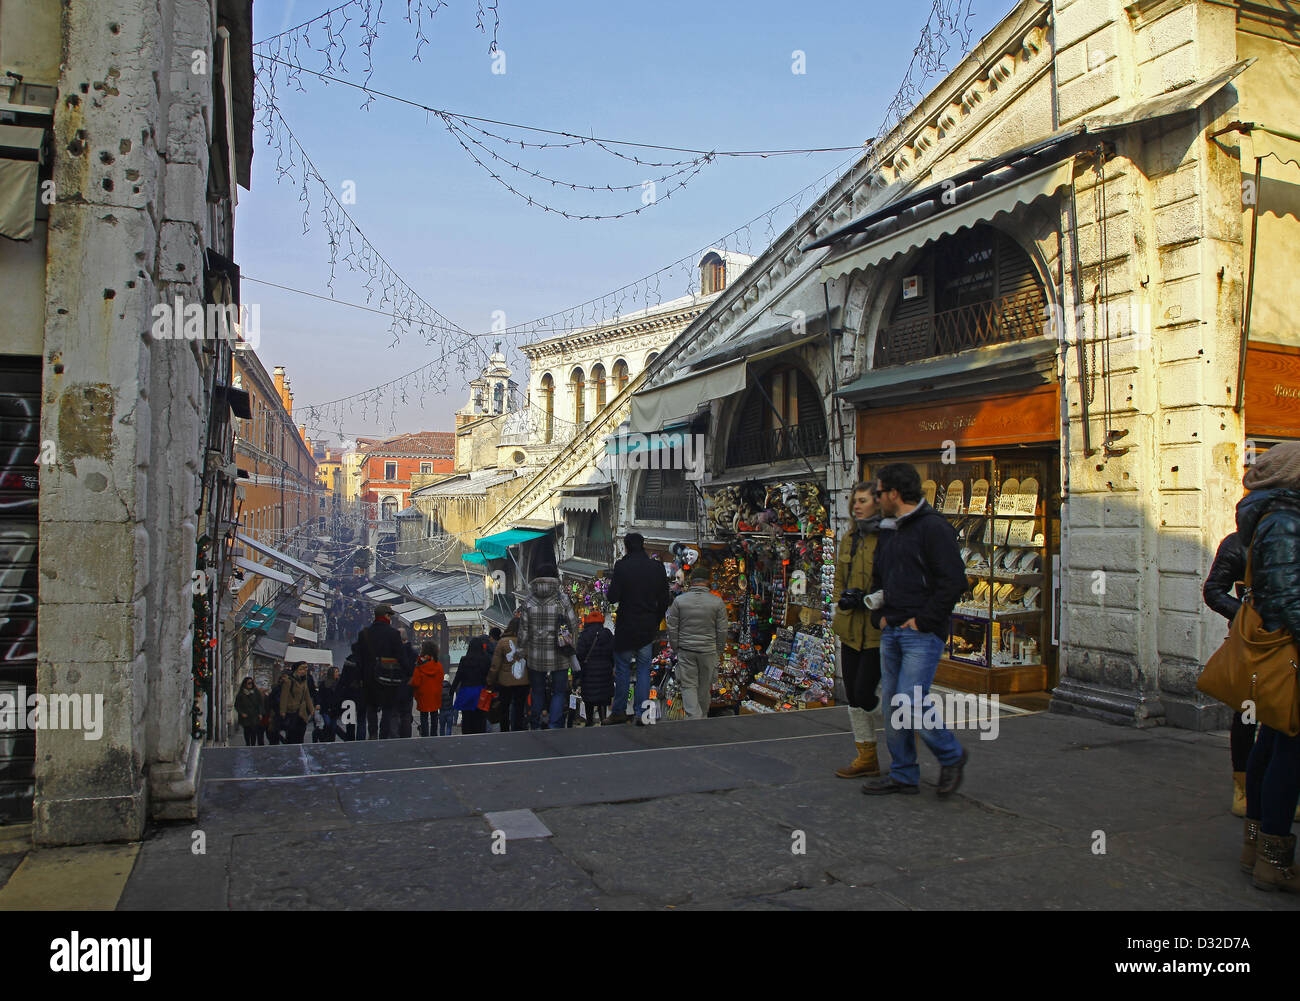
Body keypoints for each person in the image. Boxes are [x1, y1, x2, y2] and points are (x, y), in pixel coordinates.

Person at [862, 463, 968, 798]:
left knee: (910, 699)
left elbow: (954, 581)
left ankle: (951, 755)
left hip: (921, 632)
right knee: (893, 705)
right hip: (891, 627)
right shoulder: (890, 529)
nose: (876, 499)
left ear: (894, 493)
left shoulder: (934, 528)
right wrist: (877, 614)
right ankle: (904, 774)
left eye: (879, 493)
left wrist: (923, 620)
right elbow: (881, 576)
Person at [1235, 442, 1300, 892]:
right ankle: (1272, 861)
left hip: (1281, 650)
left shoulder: (1272, 516)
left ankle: (1257, 848)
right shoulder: (1284, 520)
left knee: (1275, 742)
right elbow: (1287, 596)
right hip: (1289, 651)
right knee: (1288, 750)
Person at [831, 481, 887, 778]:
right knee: (853, 695)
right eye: (854, 500)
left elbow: (896, 579)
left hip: (878, 630)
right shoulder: (849, 537)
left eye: (862, 500)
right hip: (850, 628)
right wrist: (843, 599)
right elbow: (839, 578)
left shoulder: (888, 538)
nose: (856, 505)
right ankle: (866, 756)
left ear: (877, 503)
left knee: (865, 693)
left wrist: (873, 599)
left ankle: (903, 722)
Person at [1204, 528, 1253, 817]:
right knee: (1249, 711)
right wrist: (1247, 615)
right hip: (1253, 641)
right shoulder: (1238, 542)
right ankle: (1243, 788)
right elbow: (1214, 590)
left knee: (1288, 716)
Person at [606, 534, 670, 724]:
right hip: (646, 628)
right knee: (643, 670)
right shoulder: (656, 567)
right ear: (643, 546)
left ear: (626, 547)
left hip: (626, 627)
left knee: (623, 670)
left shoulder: (622, 566)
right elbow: (664, 599)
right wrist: (655, 619)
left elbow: (612, 597)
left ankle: (618, 711)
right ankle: (642, 714)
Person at [517, 564, 580, 730]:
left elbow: (523, 631)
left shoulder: (528, 601)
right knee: (559, 691)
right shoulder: (562, 599)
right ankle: (554, 724)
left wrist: (520, 651)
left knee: (537, 691)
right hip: (559, 654)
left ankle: (536, 724)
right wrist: (573, 648)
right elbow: (573, 625)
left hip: (536, 656)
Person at [665, 566, 729, 720]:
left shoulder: (679, 601)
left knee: (689, 685)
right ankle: (702, 717)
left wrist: (676, 647)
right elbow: (722, 631)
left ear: (691, 581)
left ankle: (694, 717)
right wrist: (718, 651)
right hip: (708, 650)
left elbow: (672, 628)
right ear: (708, 581)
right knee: (704, 687)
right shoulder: (717, 602)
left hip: (686, 650)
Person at [355, 603, 414, 740]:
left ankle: (373, 732)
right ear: (386, 616)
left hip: (368, 677)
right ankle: (383, 733)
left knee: (371, 707)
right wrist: (409, 673)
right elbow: (401, 657)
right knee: (388, 707)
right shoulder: (393, 634)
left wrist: (359, 678)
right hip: (388, 677)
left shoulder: (364, 634)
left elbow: (359, 658)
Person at [486, 618, 531, 732]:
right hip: (522, 679)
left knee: (504, 706)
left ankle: (505, 729)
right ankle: (518, 727)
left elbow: (495, 666)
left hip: (505, 681)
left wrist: (490, 681)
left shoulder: (502, 642)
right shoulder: (526, 641)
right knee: (519, 706)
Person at [574, 610, 615, 727]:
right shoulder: (607, 634)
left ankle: (589, 720)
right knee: (603, 696)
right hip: (605, 672)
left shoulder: (584, 635)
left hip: (588, 672)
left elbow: (580, 655)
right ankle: (603, 719)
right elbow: (613, 653)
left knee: (589, 698)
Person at [450, 636, 492, 734]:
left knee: (467, 718)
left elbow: (458, 676)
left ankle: (467, 736)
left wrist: (452, 690)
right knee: (480, 718)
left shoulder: (464, 660)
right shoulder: (485, 659)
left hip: (466, 691)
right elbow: (489, 676)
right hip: (481, 692)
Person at [409, 640, 445, 737]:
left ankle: (425, 735)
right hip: (435, 694)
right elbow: (441, 679)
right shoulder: (438, 666)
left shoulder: (419, 665)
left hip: (423, 694)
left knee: (424, 716)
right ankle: (434, 734)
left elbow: (415, 682)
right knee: (434, 715)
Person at [280, 662, 316, 745]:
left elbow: (307, 696)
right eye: (301, 669)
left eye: (305, 669)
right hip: (291, 711)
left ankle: (300, 752)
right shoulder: (288, 681)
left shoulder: (304, 681)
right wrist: (283, 711)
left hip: (302, 712)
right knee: (291, 736)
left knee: (300, 735)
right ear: (295, 670)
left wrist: (311, 709)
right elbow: (284, 697)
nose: (303, 671)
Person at [339, 643, 366, 740]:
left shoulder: (348, 662)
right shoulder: (366, 662)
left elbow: (343, 680)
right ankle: (360, 739)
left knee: (350, 720)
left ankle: (350, 738)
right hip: (363, 695)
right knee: (362, 720)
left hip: (349, 695)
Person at [234, 677, 266, 746]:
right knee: (247, 730)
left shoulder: (256, 692)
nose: (250, 685)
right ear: (245, 684)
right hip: (246, 716)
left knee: (254, 731)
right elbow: (237, 705)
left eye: (251, 683)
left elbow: (260, 703)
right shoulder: (241, 694)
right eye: (249, 683)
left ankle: (253, 745)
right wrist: (242, 713)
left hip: (254, 715)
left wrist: (260, 713)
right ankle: (248, 744)